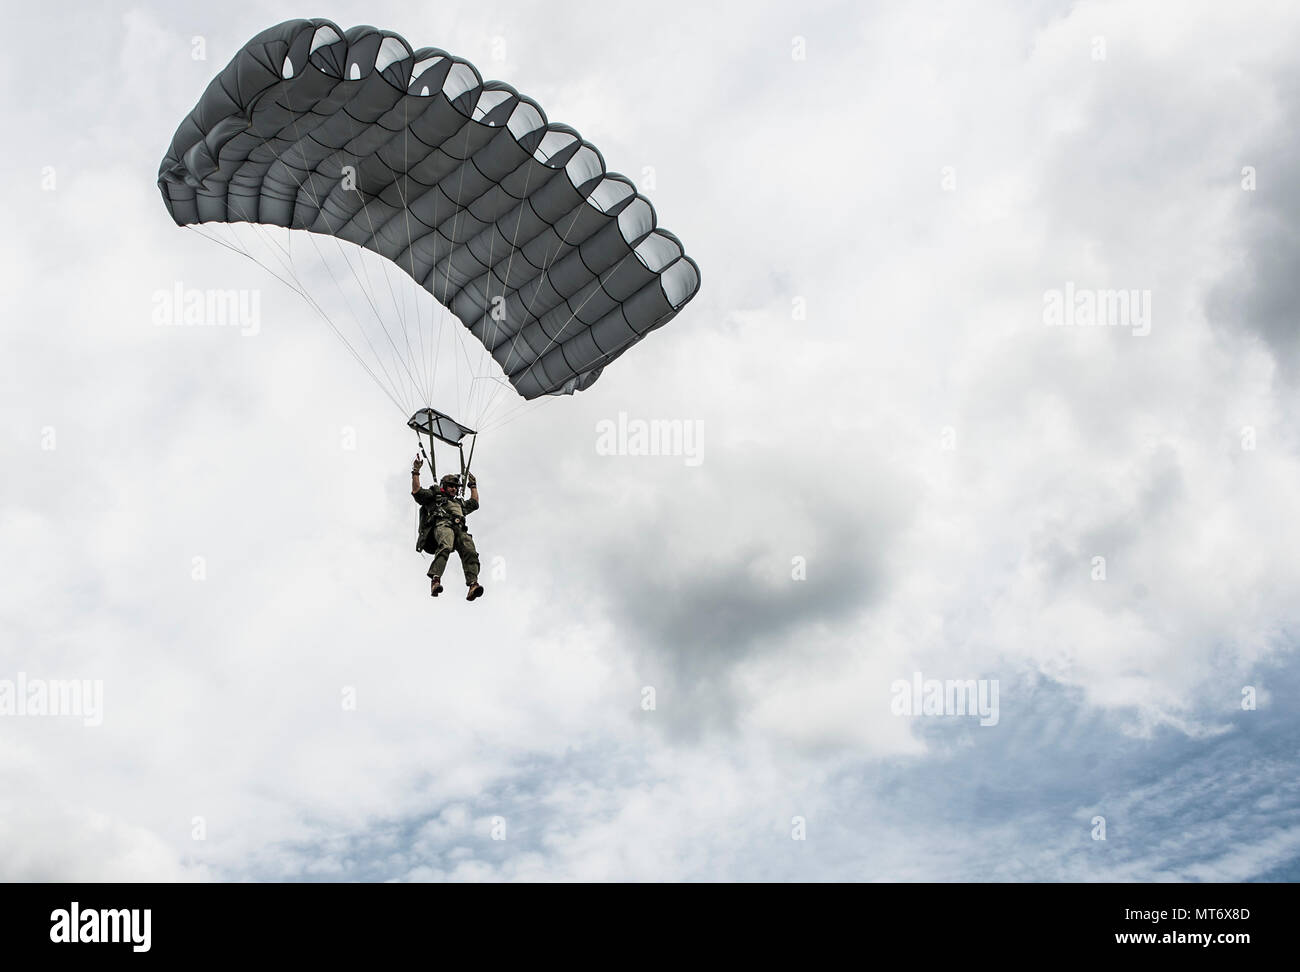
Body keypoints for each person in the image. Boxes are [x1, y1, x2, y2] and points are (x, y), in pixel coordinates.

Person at [411, 456, 483, 600]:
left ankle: (473, 584)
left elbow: (474, 503)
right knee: (446, 545)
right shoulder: (435, 496)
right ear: (444, 486)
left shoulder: (459, 503)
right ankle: (435, 580)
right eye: (451, 486)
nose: (454, 489)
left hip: (460, 529)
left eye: (456, 487)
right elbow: (417, 492)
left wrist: (473, 486)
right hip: (442, 525)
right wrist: (416, 472)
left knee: (470, 550)